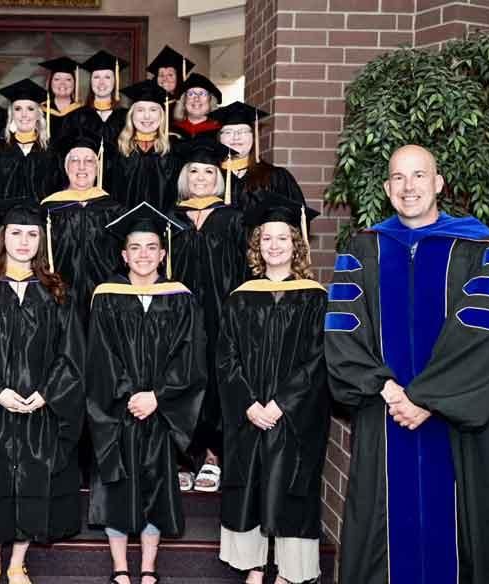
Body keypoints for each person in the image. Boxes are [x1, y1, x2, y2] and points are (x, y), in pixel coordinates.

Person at [325, 145, 489, 584]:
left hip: (450, 422)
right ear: (388, 188)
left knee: (455, 534)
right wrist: (390, 389)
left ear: (438, 183)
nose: (408, 187)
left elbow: (487, 338)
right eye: (398, 177)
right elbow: (342, 333)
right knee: (379, 534)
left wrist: (427, 399)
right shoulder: (363, 248)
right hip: (385, 411)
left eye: (418, 175)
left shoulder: (479, 249)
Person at [0, 201, 85, 584]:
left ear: (42, 240)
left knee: (33, 480)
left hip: (40, 407)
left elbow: (71, 351)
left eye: (32, 234)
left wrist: (48, 392)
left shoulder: (57, 291)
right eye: (16, 232)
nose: (24, 241)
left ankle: (17, 562)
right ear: (2, 237)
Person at [86, 202, 207, 584]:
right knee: (116, 484)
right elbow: (99, 356)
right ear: (123, 255)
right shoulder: (106, 296)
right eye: (135, 248)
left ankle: (149, 567)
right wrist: (128, 396)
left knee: (157, 484)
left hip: (161, 410)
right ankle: (120, 567)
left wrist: (157, 396)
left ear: (163, 253)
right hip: (117, 411)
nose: (143, 255)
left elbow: (191, 356)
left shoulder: (181, 298)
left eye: (151, 247)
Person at [217, 195, 328, 584]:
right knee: (249, 482)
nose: (275, 245)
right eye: (267, 239)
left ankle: (287, 569)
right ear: (257, 246)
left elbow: (318, 359)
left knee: (290, 483)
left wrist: (281, 403)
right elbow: (226, 357)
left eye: (283, 238)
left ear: (296, 244)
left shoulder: (315, 298)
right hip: (250, 413)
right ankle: (252, 564)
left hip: (294, 414)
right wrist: (248, 404)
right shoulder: (240, 297)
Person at [169, 139, 247, 493]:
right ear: (186, 175)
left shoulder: (232, 218)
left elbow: (243, 267)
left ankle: (214, 455)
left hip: (220, 309)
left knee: (217, 380)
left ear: (219, 177)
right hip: (178, 312)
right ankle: (182, 455)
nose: (201, 178)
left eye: (209, 171)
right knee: (180, 376)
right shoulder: (170, 217)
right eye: (195, 171)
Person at [40, 131, 124, 324]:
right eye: (75, 160)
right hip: (59, 295)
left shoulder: (114, 209)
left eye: (89, 161)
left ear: (98, 167)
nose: (82, 167)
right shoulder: (48, 209)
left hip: (105, 296)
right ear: (65, 167)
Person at [209, 101, 305, 211]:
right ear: (219, 138)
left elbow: (296, 218)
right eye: (228, 132)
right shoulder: (208, 177)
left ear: (254, 137)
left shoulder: (276, 177)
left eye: (243, 131)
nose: (236, 137)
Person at [61, 50, 129, 191]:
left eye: (107, 77)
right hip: (83, 182)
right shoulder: (75, 116)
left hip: (120, 182)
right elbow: (64, 154)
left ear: (115, 81)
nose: (102, 82)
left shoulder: (126, 116)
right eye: (96, 77)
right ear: (91, 82)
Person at [112, 80, 181, 212]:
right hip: (124, 225)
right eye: (140, 110)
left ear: (162, 116)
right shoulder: (117, 150)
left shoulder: (173, 150)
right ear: (131, 115)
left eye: (153, 110)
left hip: (163, 226)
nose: (147, 116)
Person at [0, 78, 57, 201]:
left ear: (38, 114)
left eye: (30, 109)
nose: (24, 115)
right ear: (11, 114)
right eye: (18, 109)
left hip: (41, 216)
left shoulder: (51, 149)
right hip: (5, 217)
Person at [170, 73, 222, 146]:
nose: (196, 98)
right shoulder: (172, 131)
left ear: (210, 100)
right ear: (184, 100)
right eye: (191, 94)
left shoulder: (221, 131)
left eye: (202, 94)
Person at [39, 56, 82, 141]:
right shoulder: (40, 112)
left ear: (75, 83)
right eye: (57, 79)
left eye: (68, 79)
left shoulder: (84, 112)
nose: (62, 84)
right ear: (50, 82)